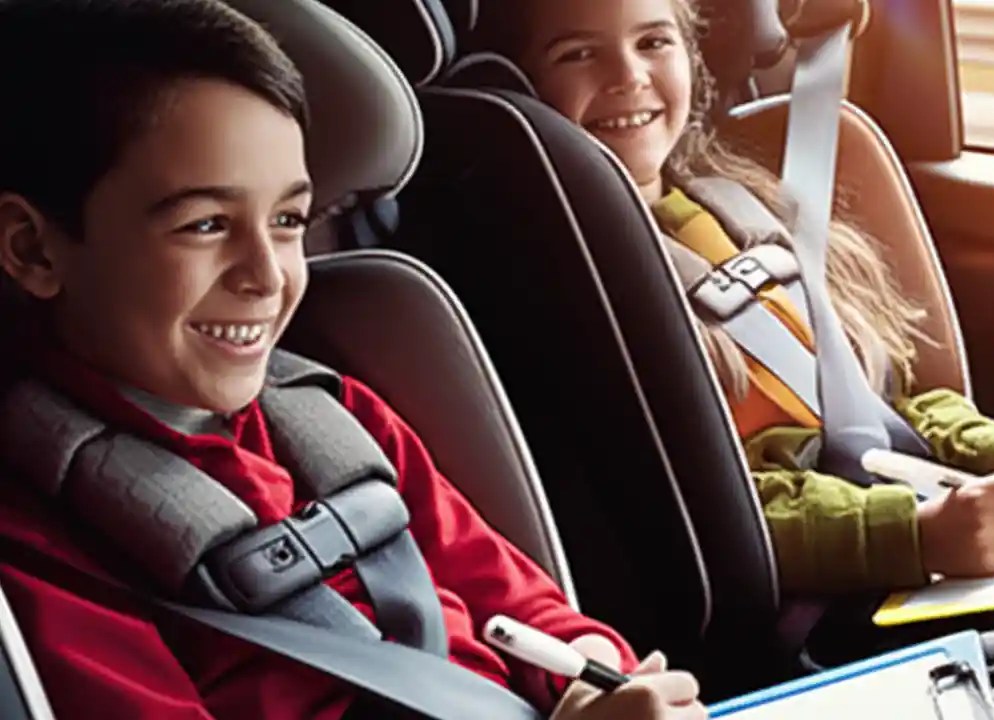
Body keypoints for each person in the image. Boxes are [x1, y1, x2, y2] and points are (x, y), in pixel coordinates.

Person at [480, 1, 994, 716]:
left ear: (692, 52)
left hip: (917, 545)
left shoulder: (732, 206)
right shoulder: (570, 294)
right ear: (518, 87)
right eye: (578, 53)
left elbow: (882, 408)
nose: (629, 76)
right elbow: (714, 524)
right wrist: (919, 536)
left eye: (654, 40)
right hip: (832, 612)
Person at [0, 1, 707, 719]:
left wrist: (597, 684)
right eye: (205, 225)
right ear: (33, 249)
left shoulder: (333, 419)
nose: (268, 277)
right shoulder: (34, 544)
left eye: (286, 223)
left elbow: (527, 607)